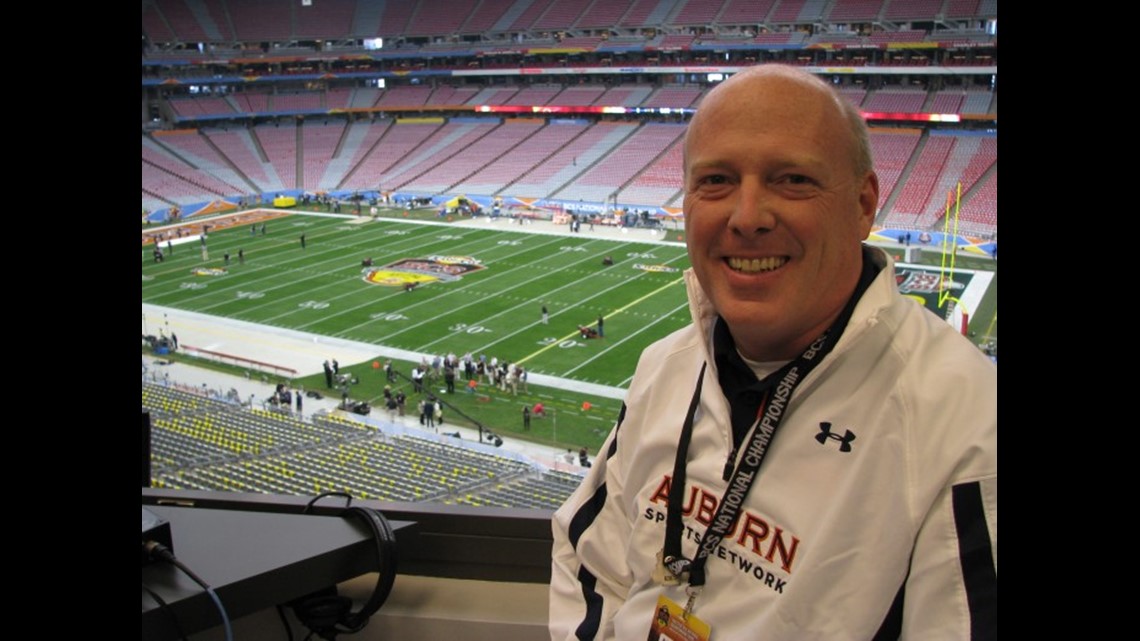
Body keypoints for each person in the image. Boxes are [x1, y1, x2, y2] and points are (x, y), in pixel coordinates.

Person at [549, 66, 996, 641]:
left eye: (792, 180)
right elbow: (589, 559)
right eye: (716, 180)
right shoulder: (666, 364)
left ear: (864, 204)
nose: (748, 217)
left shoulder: (964, 422)